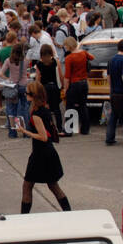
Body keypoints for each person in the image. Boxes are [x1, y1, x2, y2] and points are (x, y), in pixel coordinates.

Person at [18, 81, 72, 214]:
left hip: (40, 154)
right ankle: (69, 212)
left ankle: (23, 217)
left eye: (27, 93)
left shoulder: (36, 114)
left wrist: (25, 132)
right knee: (53, 185)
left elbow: (43, 137)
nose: (25, 95)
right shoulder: (45, 109)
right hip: (48, 152)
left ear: (33, 96)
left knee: (27, 185)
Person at [62, 37, 94, 135]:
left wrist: (65, 88)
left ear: (69, 46)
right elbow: (92, 57)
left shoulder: (69, 58)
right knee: (83, 106)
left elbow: (67, 76)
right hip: (84, 82)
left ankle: (69, 130)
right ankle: (85, 129)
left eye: (65, 45)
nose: (65, 47)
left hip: (74, 83)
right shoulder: (83, 53)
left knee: (70, 106)